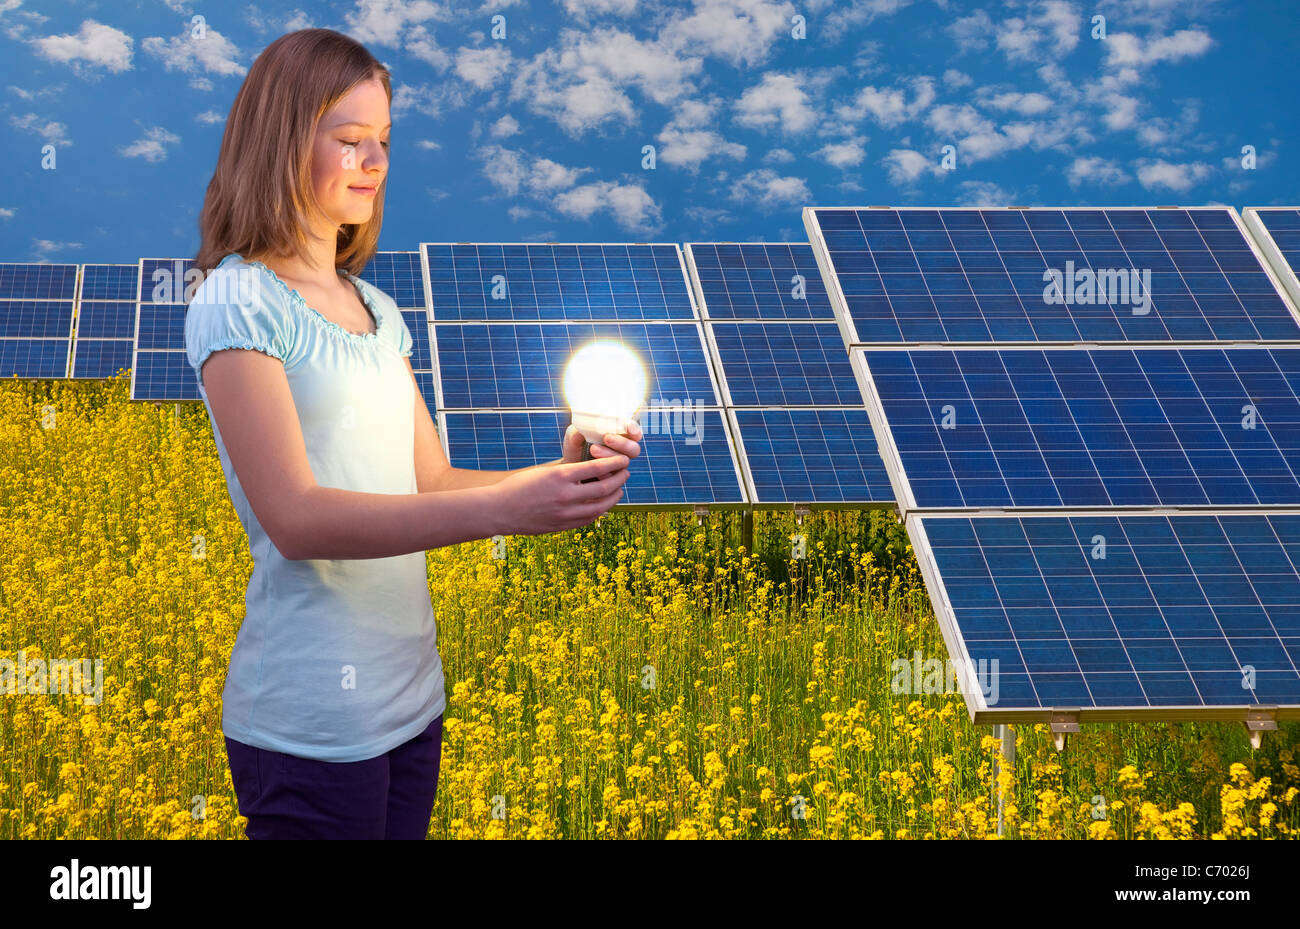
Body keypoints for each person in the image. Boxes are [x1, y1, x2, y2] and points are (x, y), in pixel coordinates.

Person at [182, 28, 641, 840]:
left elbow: (428, 481)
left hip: (412, 703)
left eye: (384, 141)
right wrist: (507, 512)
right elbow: (297, 518)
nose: (375, 162)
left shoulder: (376, 311)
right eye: (350, 140)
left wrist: (555, 474)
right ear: (282, 141)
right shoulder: (235, 300)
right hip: (312, 726)